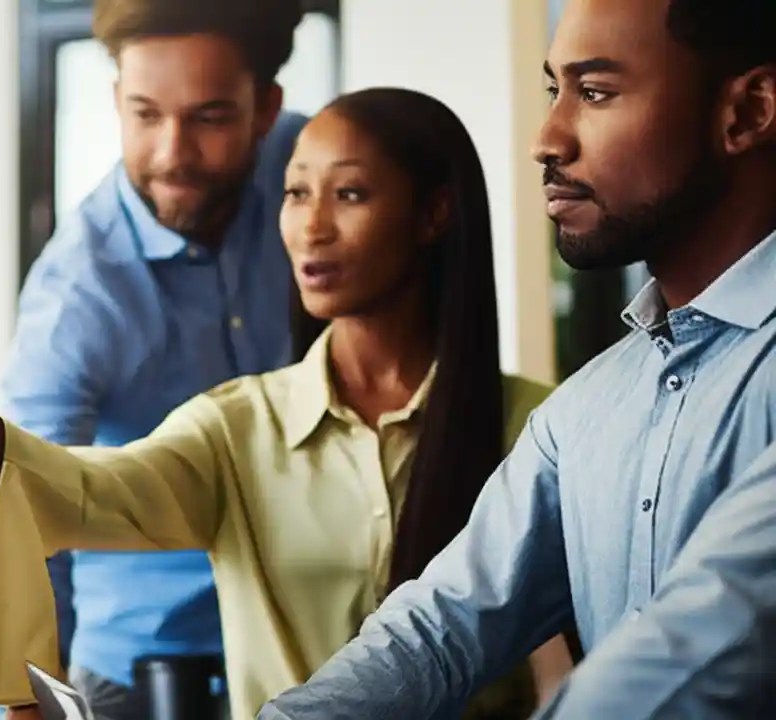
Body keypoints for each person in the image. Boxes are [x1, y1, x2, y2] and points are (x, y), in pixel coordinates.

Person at [0, 87, 574, 718]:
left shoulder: (544, 428)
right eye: (295, 194)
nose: (311, 227)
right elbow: (77, 491)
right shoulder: (236, 428)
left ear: (433, 214)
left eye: (351, 195)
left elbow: (586, 656)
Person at [248, 0, 776, 717]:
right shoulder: (586, 410)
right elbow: (437, 630)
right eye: (552, 91)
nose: (547, 138)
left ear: (746, 113)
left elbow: (706, 642)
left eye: (594, 93)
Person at [0, 0, 309, 716]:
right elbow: (22, 518)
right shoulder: (78, 290)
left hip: (311, 635)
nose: (173, 152)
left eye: (208, 118)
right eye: (145, 115)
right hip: (144, 670)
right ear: (116, 102)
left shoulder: (307, 171)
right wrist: (23, 701)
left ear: (265, 109)